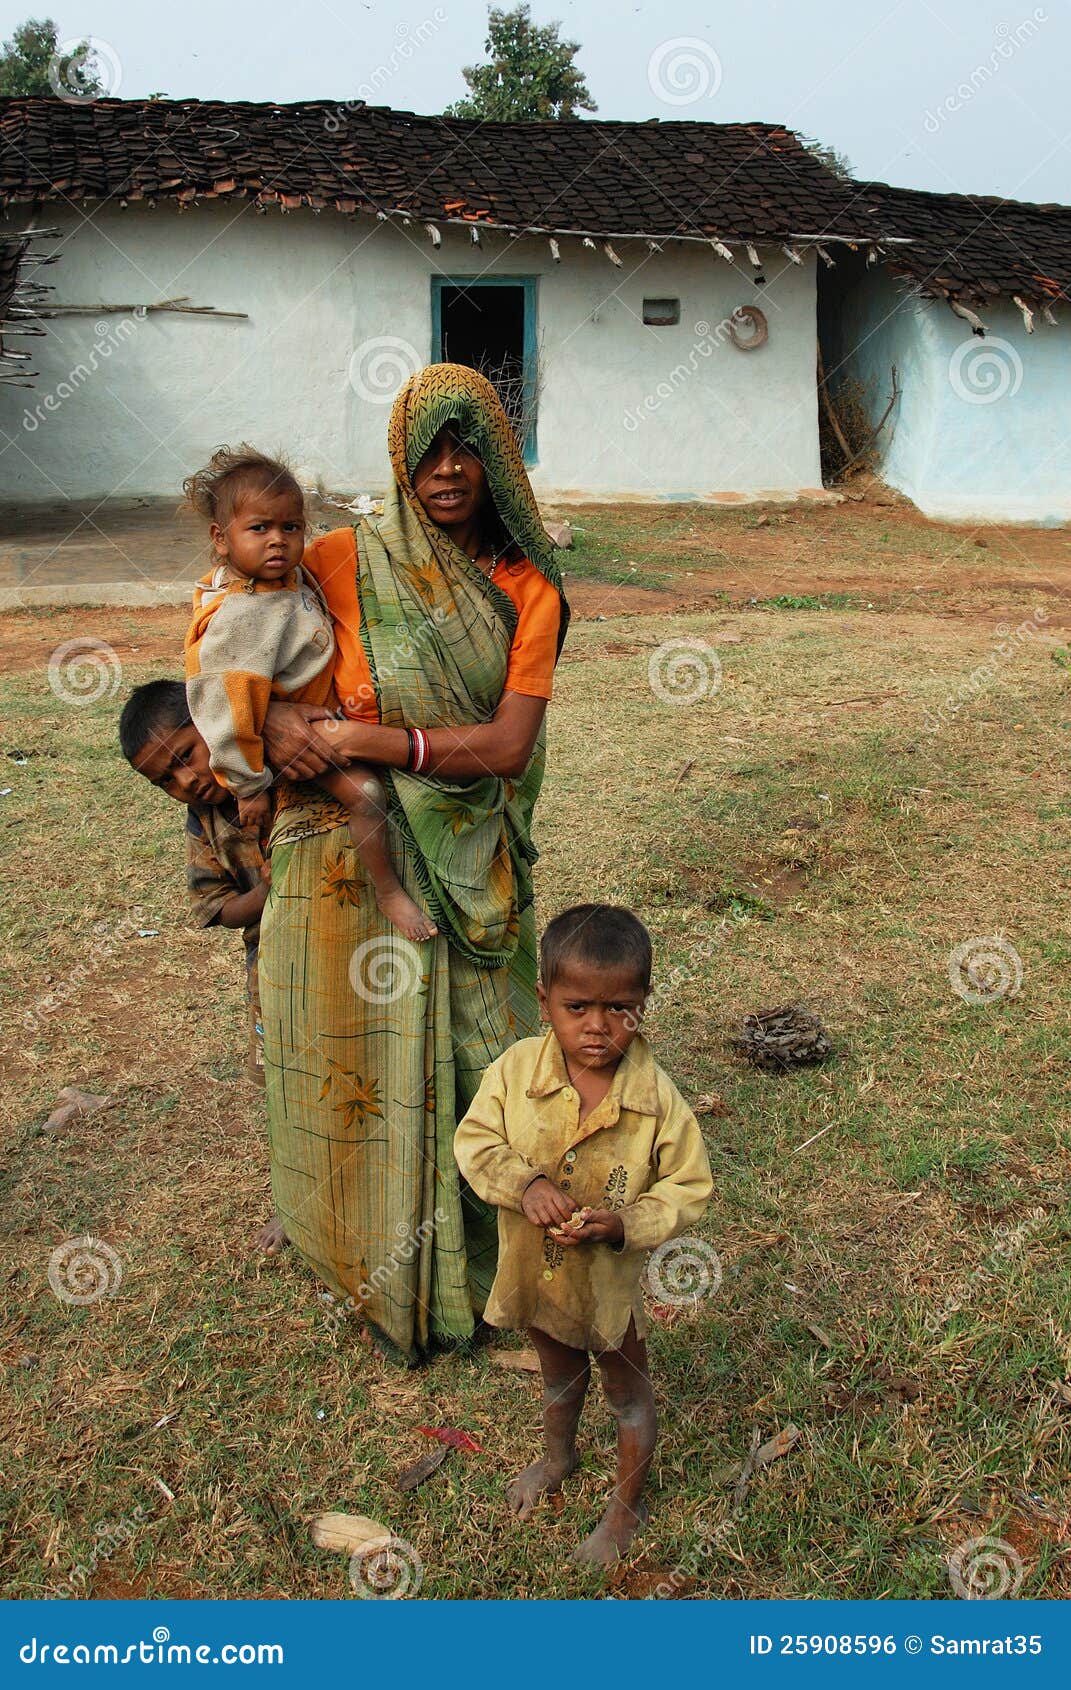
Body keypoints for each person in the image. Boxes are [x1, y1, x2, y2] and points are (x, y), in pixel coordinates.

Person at [253, 363, 570, 1365]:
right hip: (343, 856)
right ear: (399, 458)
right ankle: (358, 1254)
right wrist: (284, 724)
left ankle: (497, 1290)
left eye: (465, 446)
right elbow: (233, 633)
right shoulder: (343, 558)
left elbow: (509, 746)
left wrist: (373, 744)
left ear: (496, 462)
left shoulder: (526, 591)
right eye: (426, 448)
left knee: (488, 1064)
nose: (446, 469)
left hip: (467, 863)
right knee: (351, 1056)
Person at [454, 904, 713, 1565]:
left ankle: (626, 1509)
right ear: (544, 1002)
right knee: (557, 1376)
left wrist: (625, 1223)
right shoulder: (515, 1073)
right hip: (533, 1273)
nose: (597, 1026)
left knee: (626, 1392)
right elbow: (476, 1141)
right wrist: (525, 1185)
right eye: (576, 1007)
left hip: (607, 1288)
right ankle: (557, 1457)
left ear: (642, 1005)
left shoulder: (656, 1100)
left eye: (618, 1008)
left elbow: (688, 1186)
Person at [183, 447, 436, 943]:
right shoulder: (240, 617)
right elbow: (224, 703)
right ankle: (388, 891)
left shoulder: (280, 581)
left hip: (321, 721)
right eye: (259, 529)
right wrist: (248, 784)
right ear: (221, 539)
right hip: (300, 742)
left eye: (291, 527)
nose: (278, 541)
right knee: (367, 795)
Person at [118, 679, 286, 1255]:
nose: (184, 780)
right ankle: (292, 1199)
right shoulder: (202, 824)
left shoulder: (278, 770)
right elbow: (217, 909)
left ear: (213, 723)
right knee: (285, 1085)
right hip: (272, 968)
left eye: (186, 756)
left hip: (347, 950)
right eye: (164, 779)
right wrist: (272, 890)